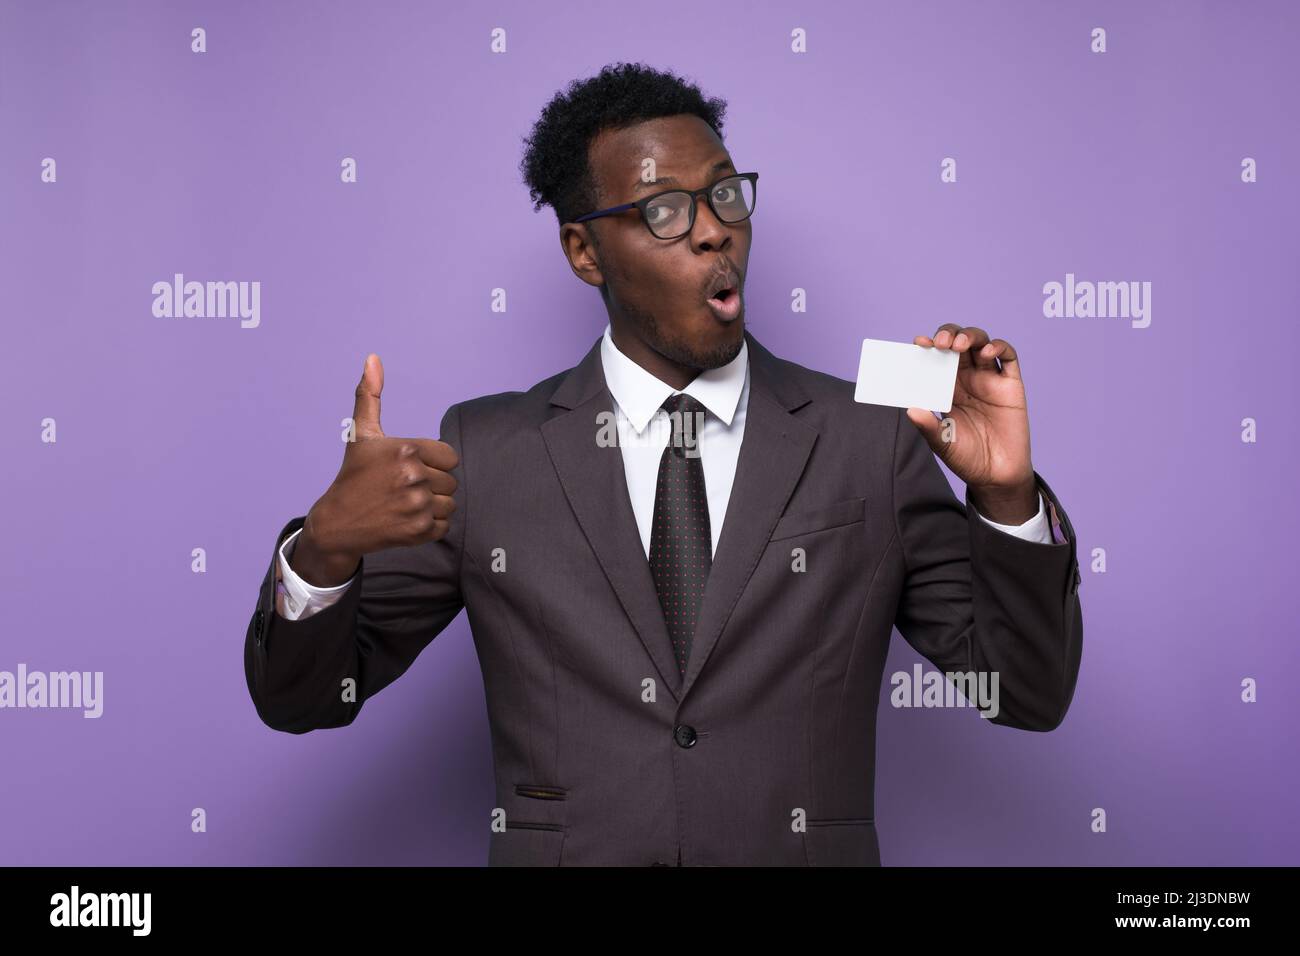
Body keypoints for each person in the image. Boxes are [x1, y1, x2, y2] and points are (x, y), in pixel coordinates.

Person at [243, 62, 1082, 866]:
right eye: (664, 211)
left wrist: (1005, 498)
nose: (713, 226)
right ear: (584, 252)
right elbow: (303, 700)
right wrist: (323, 552)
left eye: (722, 194)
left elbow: (1025, 696)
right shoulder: (488, 453)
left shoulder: (872, 437)